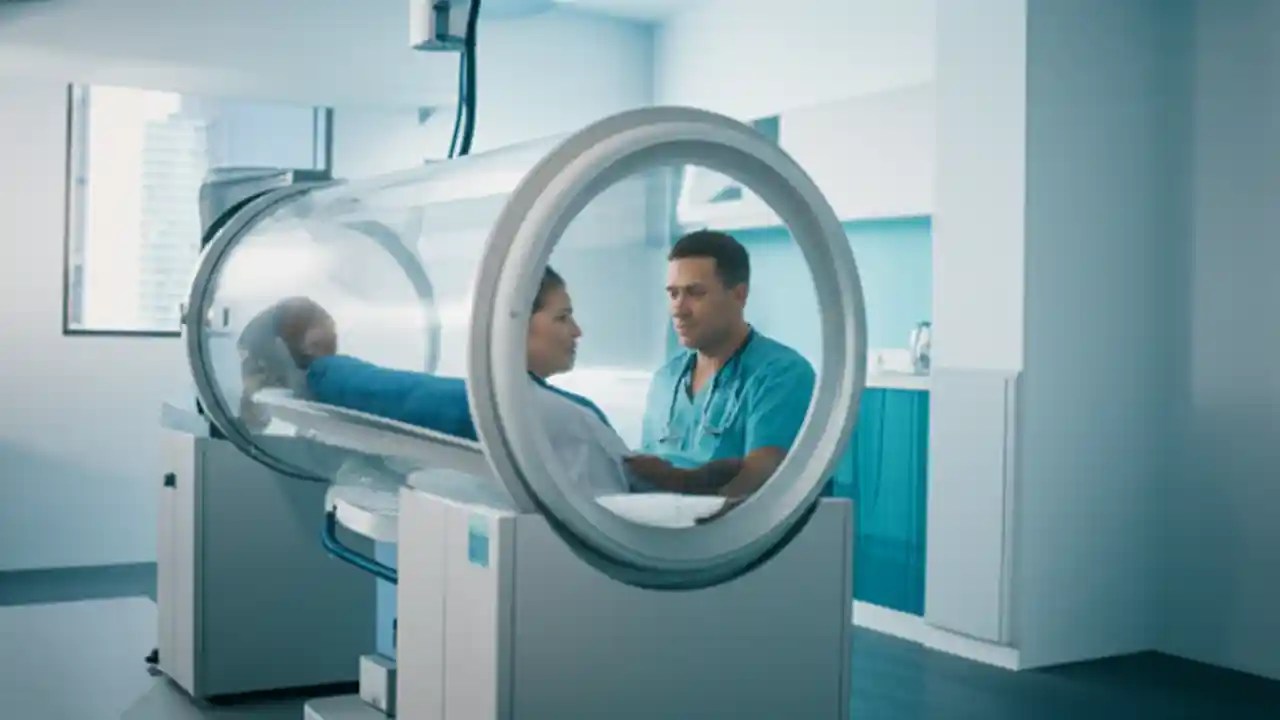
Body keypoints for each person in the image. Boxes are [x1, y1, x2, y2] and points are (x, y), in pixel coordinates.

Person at [236, 268, 740, 501]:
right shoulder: (520, 410)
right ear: (518, 322)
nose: (578, 330)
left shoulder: (527, 404)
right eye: (564, 317)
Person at [625, 230, 818, 514]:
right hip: (662, 534)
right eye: (673, 293)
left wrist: (678, 482)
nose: (679, 309)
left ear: (739, 295)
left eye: (695, 293)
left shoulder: (783, 374)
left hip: (736, 541)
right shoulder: (665, 380)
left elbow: (763, 477)